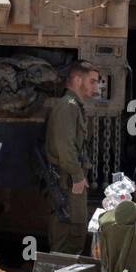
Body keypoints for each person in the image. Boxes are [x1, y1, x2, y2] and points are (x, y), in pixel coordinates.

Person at [43, 59, 99, 254]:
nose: (96, 87)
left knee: (75, 229)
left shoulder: (74, 106)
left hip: (70, 179)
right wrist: (77, 175)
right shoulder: (69, 106)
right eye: (92, 81)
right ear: (77, 80)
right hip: (67, 180)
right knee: (69, 230)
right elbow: (65, 146)